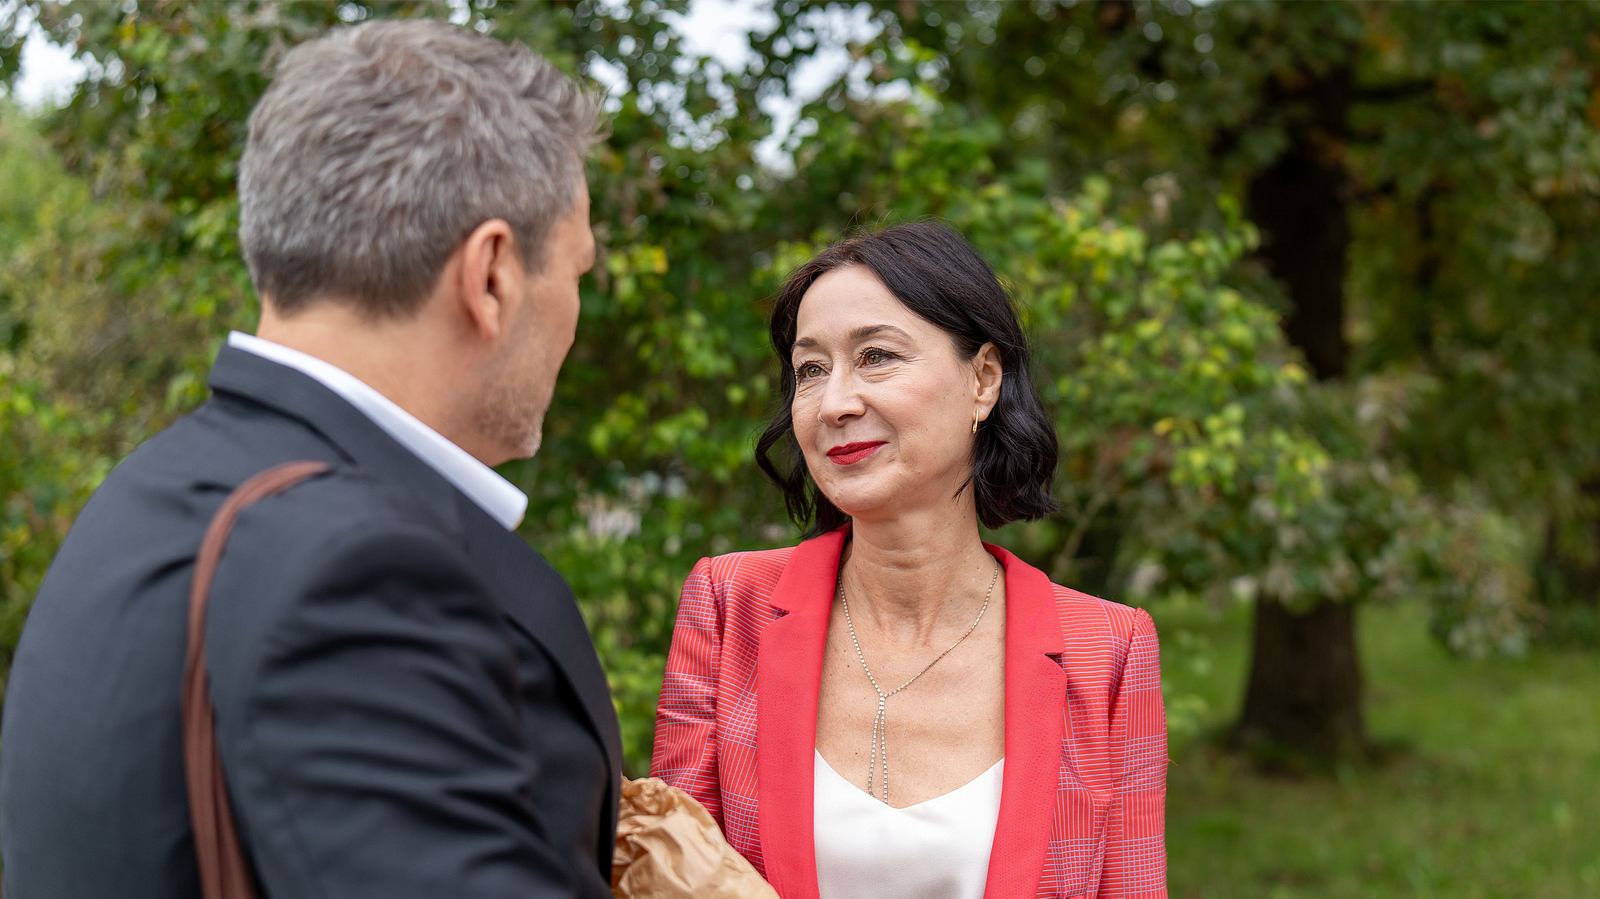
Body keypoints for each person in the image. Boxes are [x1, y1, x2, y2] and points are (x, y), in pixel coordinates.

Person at [0, 20, 619, 898]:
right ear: (490, 275)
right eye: (578, 271)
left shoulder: (149, 491)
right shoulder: (354, 571)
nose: (574, 313)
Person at [650, 222, 1169, 899]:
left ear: (983, 380)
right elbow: (669, 880)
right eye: (811, 369)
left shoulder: (1111, 650)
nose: (835, 402)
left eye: (877, 356)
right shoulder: (727, 606)